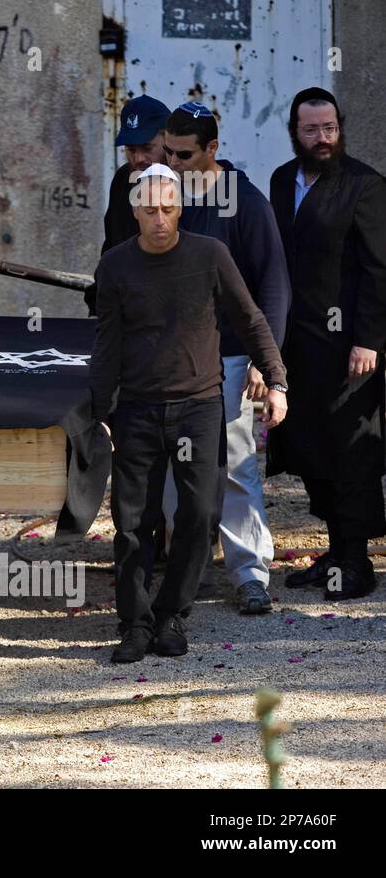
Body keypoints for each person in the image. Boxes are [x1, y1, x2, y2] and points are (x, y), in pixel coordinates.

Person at [90, 166, 288, 664]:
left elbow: (250, 316)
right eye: (150, 210)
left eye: (168, 209)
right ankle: (135, 623)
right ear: (134, 211)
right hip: (137, 405)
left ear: (181, 208)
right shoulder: (115, 266)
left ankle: (173, 613)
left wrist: (277, 379)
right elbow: (107, 342)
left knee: (200, 514)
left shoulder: (209, 254)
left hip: (199, 405)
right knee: (134, 522)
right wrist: (98, 412)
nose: (159, 220)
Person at [159, 102, 291, 615]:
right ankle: (182, 564)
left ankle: (249, 571)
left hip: (231, 354)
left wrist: (266, 361)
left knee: (235, 464)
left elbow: (274, 285)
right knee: (175, 462)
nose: (173, 162)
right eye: (167, 151)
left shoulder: (247, 204)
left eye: (184, 154)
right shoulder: (163, 197)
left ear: (213, 149)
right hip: (171, 357)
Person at [267, 87, 386, 600]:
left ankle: (355, 563)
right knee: (311, 446)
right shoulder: (280, 181)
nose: (322, 138)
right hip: (299, 344)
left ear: (341, 128)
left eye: (330, 128)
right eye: (312, 129)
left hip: (350, 351)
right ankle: (334, 555)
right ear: (295, 132)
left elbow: (380, 269)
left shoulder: (365, 185)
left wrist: (368, 340)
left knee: (352, 452)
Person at [85, 95, 171, 314]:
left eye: (147, 148)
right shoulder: (124, 179)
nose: (138, 158)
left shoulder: (191, 186)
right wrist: (98, 307)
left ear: (168, 141)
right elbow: (111, 248)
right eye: (131, 150)